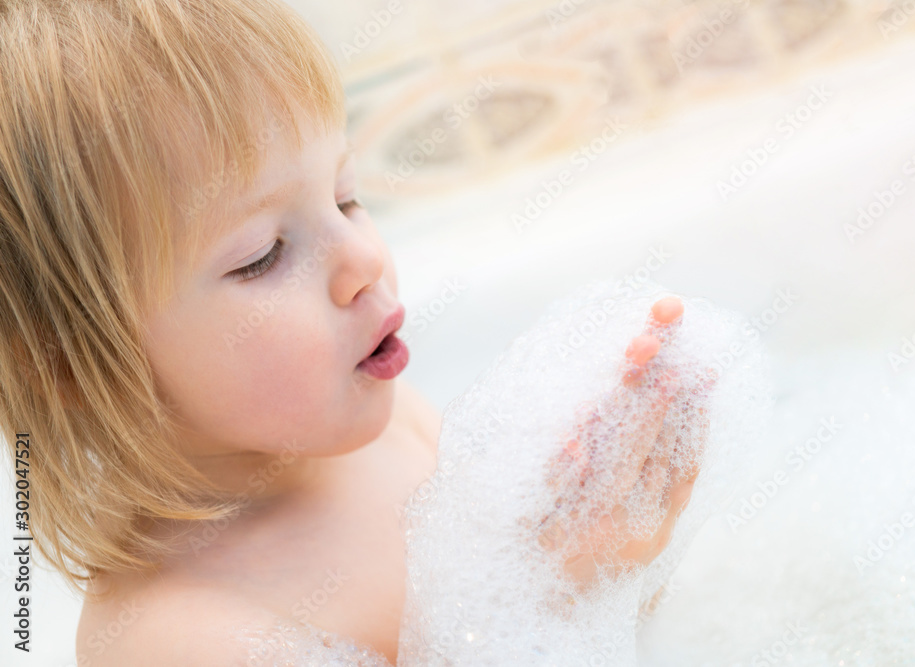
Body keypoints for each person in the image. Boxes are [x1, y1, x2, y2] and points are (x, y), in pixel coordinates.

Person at [0, 0, 697, 663]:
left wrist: (616, 544)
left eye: (346, 196)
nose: (364, 259)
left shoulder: (384, 428)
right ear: (64, 367)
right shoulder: (176, 635)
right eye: (262, 256)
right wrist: (563, 586)